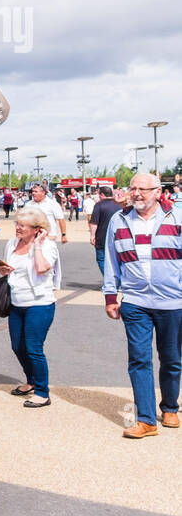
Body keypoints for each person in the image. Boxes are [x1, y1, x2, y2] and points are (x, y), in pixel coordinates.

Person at [101, 173, 182, 439]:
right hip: (135, 302)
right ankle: (146, 419)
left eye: (143, 189)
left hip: (172, 302)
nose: (136, 193)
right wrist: (111, 296)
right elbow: (112, 260)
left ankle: (170, 406)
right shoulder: (119, 219)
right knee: (139, 359)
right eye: (133, 188)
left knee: (171, 358)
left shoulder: (176, 217)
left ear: (158, 192)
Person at [0, 209, 58, 407]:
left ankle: (43, 392)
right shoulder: (12, 244)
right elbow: (5, 269)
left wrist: (38, 246)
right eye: (17, 223)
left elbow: (42, 268)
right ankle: (31, 380)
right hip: (17, 302)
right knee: (18, 346)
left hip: (39, 304)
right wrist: (4, 270)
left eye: (22, 225)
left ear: (36, 230)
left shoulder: (47, 246)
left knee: (33, 348)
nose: (17, 228)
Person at [88, 185, 122, 276]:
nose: (99, 196)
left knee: (102, 259)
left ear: (102, 194)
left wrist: (92, 235)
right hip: (118, 236)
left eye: (99, 194)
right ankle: (117, 279)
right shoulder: (119, 205)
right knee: (116, 259)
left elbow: (94, 222)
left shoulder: (99, 205)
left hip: (102, 237)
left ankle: (109, 280)